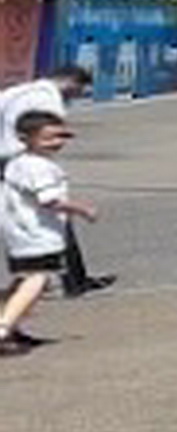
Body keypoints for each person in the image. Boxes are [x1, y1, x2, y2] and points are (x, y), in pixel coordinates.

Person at [0, 65, 108, 294]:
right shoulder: (49, 100)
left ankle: (39, 275)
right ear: (72, 83)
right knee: (53, 214)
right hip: (23, 159)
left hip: (5, 159)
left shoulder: (15, 92)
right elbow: (49, 132)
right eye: (78, 91)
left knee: (14, 216)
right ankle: (71, 280)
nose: (75, 97)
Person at [2, 108, 97, 349]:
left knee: (25, 279)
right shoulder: (39, 168)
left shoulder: (17, 163)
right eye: (48, 138)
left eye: (61, 136)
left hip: (18, 232)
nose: (57, 143)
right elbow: (50, 200)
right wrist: (82, 208)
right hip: (36, 234)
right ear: (26, 139)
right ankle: (4, 327)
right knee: (38, 279)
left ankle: (12, 324)